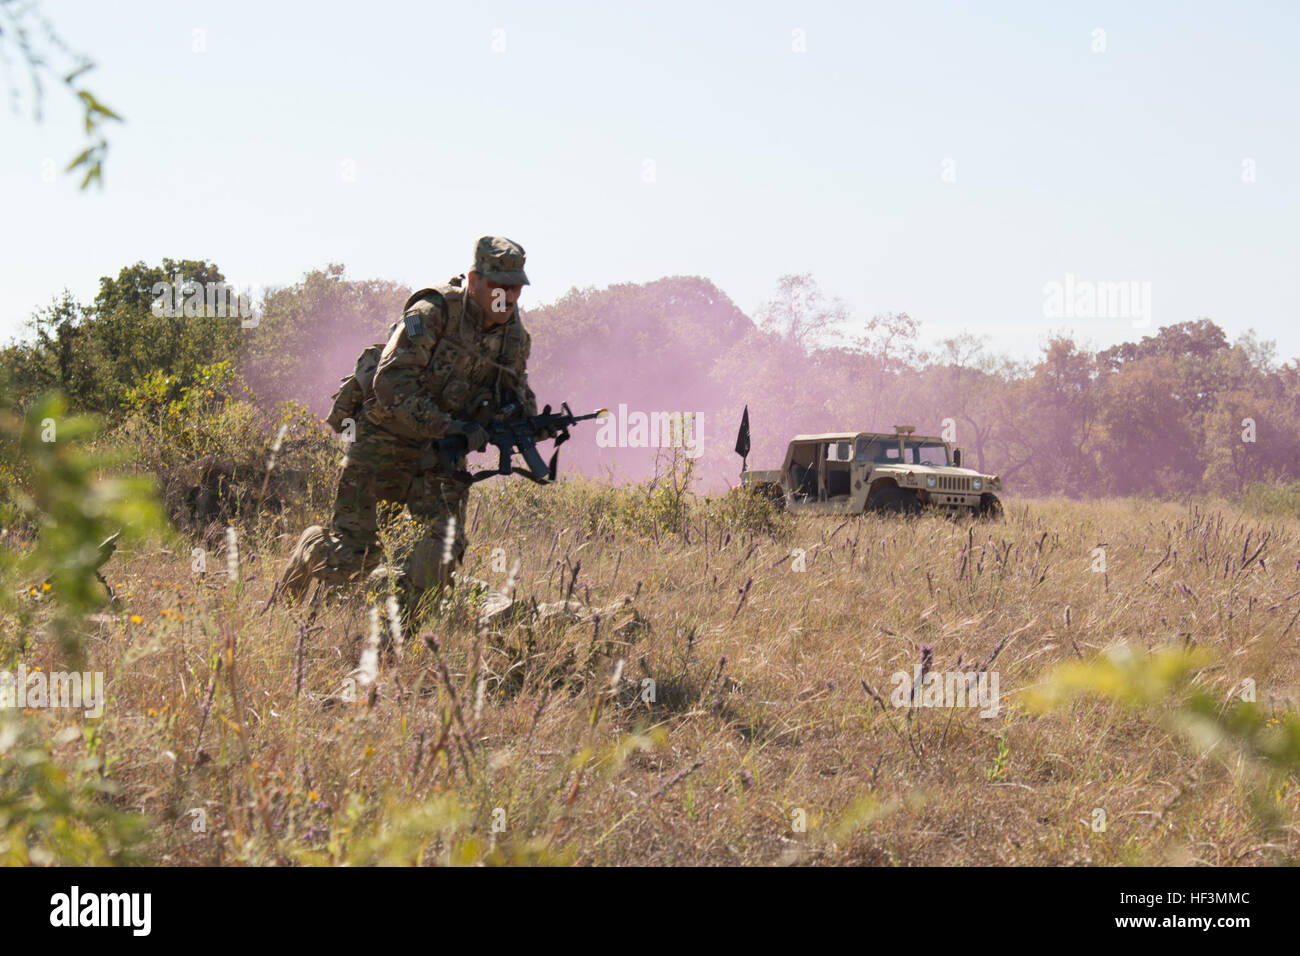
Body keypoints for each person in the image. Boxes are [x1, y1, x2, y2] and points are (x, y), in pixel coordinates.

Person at [275, 236, 548, 622]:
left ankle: (400, 644)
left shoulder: (514, 337)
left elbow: (514, 392)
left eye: (515, 288)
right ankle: (312, 547)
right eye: (497, 287)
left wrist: (527, 423)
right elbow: (391, 385)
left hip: (442, 454)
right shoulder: (433, 311)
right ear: (474, 280)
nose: (506, 297)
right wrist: (450, 424)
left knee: (441, 551)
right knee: (354, 559)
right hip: (386, 438)